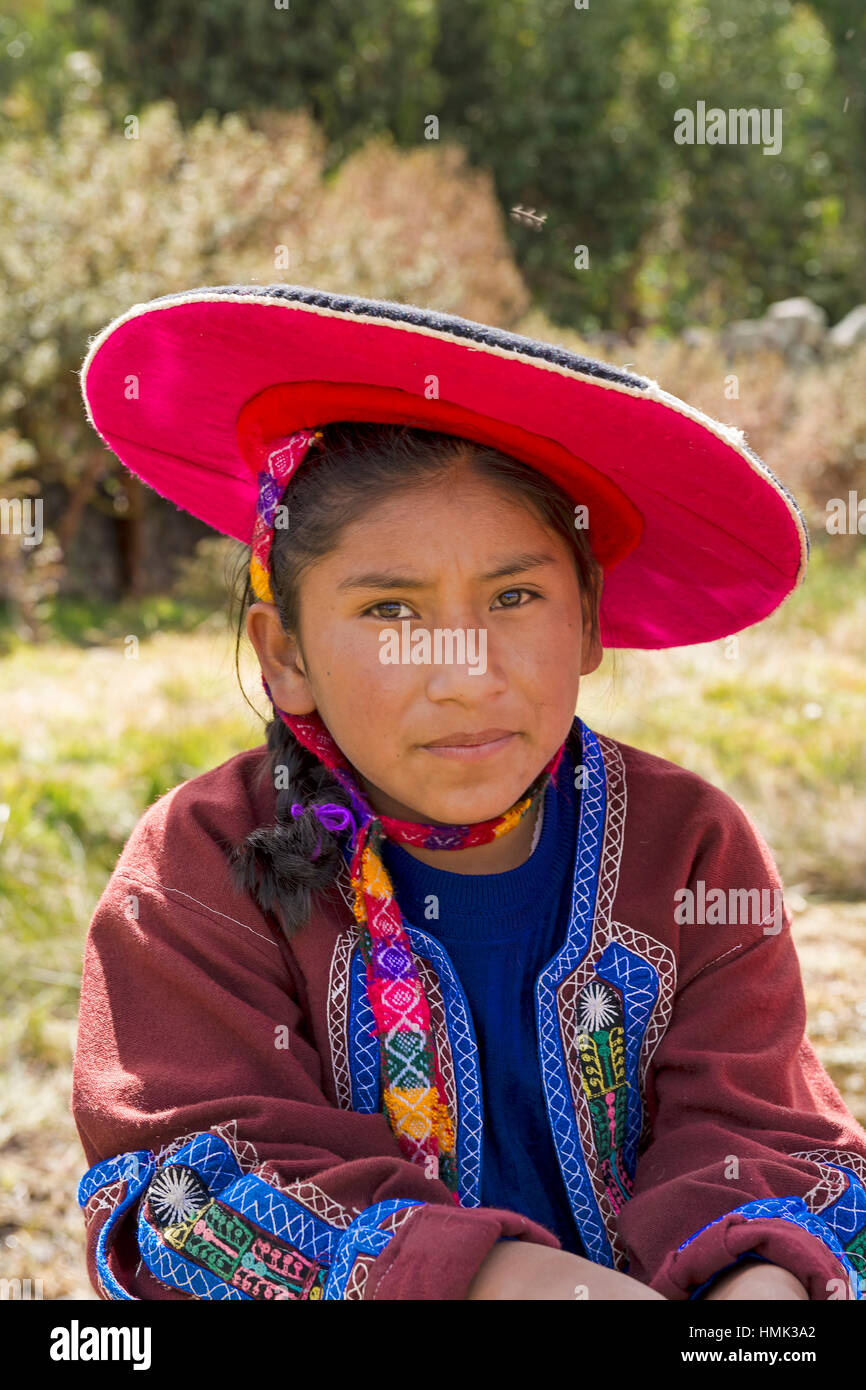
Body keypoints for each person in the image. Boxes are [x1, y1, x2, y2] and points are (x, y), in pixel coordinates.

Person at [72, 284, 866, 1301]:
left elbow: (758, 1130)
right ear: (286, 655)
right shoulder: (197, 868)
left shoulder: (689, 848)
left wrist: (753, 1295)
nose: (464, 670)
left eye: (513, 597)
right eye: (391, 608)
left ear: (585, 623)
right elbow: (185, 1198)